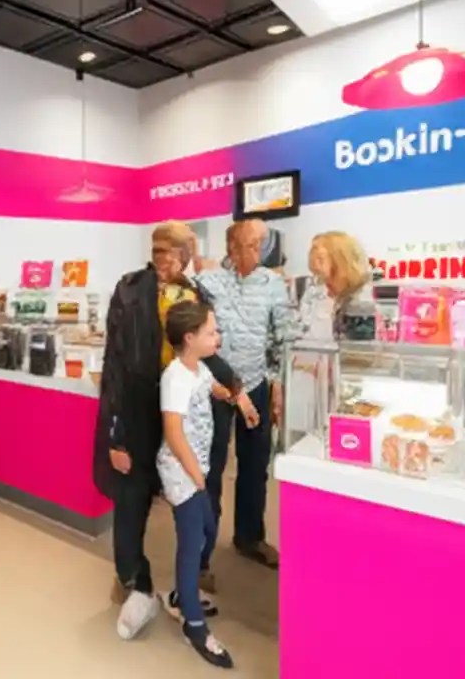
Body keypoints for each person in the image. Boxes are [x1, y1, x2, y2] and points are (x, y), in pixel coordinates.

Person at [93, 221, 258, 640]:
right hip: (135, 413)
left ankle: (190, 577)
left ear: (188, 253)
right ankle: (133, 579)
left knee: (193, 495)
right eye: (156, 249)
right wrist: (115, 433)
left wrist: (237, 391)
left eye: (171, 250)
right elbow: (113, 364)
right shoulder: (129, 290)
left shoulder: (196, 297)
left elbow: (205, 350)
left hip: (180, 413)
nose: (161, 258)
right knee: (131, 500)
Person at [196, 220, 299, 571]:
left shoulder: (273, 285)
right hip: (217, 386)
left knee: (256, 466)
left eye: (260, 245)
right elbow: (195, 337)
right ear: (231, 246)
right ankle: (201, 553)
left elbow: (282, 338)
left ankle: (250, 537)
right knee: (210, 468)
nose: (255, 253)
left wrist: (277, 385)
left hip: (256, 383)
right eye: (248, 245)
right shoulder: (207, 283)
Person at [158, 301, 234, 669]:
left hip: (197, 471)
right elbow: (173, 432)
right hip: (182, 473)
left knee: (208, 528)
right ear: (190, 338)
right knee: (192, 544)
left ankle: (180, 596)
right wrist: (195, 474)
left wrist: (228, 394)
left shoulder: (197, 367)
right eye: (211, 332)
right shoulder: (174, 377)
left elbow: (212, 385)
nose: (217, 336)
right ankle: (194, 624)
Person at [279, 231, 375, 431]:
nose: (315, 265)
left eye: (321, 258)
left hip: (342, 387)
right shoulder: (307, 291)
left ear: (340, 258)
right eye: (313, 258)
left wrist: (330, 367)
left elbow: (363, 355)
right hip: (305, 384)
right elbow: (288, 336)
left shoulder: (360, 299)